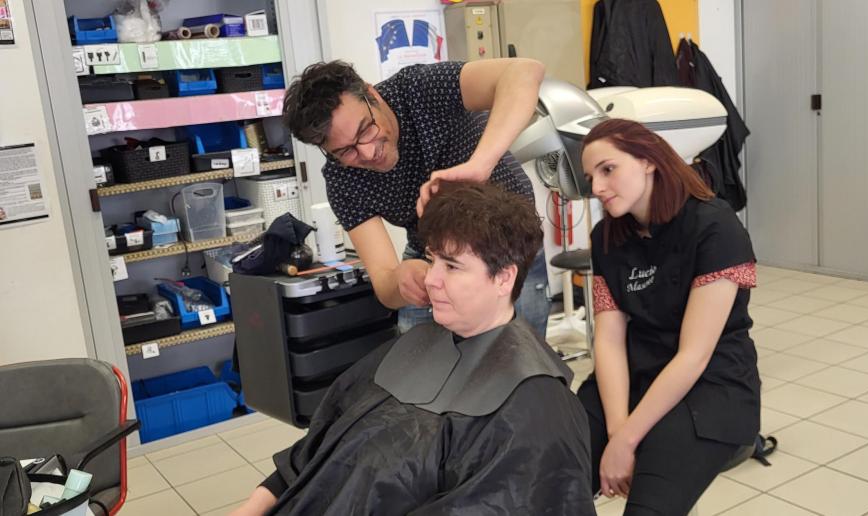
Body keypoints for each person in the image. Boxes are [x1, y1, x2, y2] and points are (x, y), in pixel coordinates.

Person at [231, 182, 595, 516]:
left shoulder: (536, 406)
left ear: (504, 277)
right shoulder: (412, 346)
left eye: (452, 266)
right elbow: (315, 449)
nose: (431, 279)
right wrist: (252, 507)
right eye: (432, 259)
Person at [281, 58, 551, 336]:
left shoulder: (418, 90)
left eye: (365, 129)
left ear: (373, 95)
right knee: (422, 357)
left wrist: (479, 165)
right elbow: (385, 283)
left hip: (506, 247)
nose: (368, 152)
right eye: (346, 151)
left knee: (516, 351)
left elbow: (525, 71)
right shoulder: (343, 179)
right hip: (430, 255)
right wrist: (401, 280)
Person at [576, 119, 761, 514]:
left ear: (648, 160)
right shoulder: (606, 238)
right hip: (635, 372)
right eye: (591, 177)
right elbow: (608, 340)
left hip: (708, 383)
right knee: (552, 477)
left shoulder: (713, 226)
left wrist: (627, 441)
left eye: (608, 169)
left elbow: (694, 355)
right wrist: (617, 431)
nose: (597, 187)